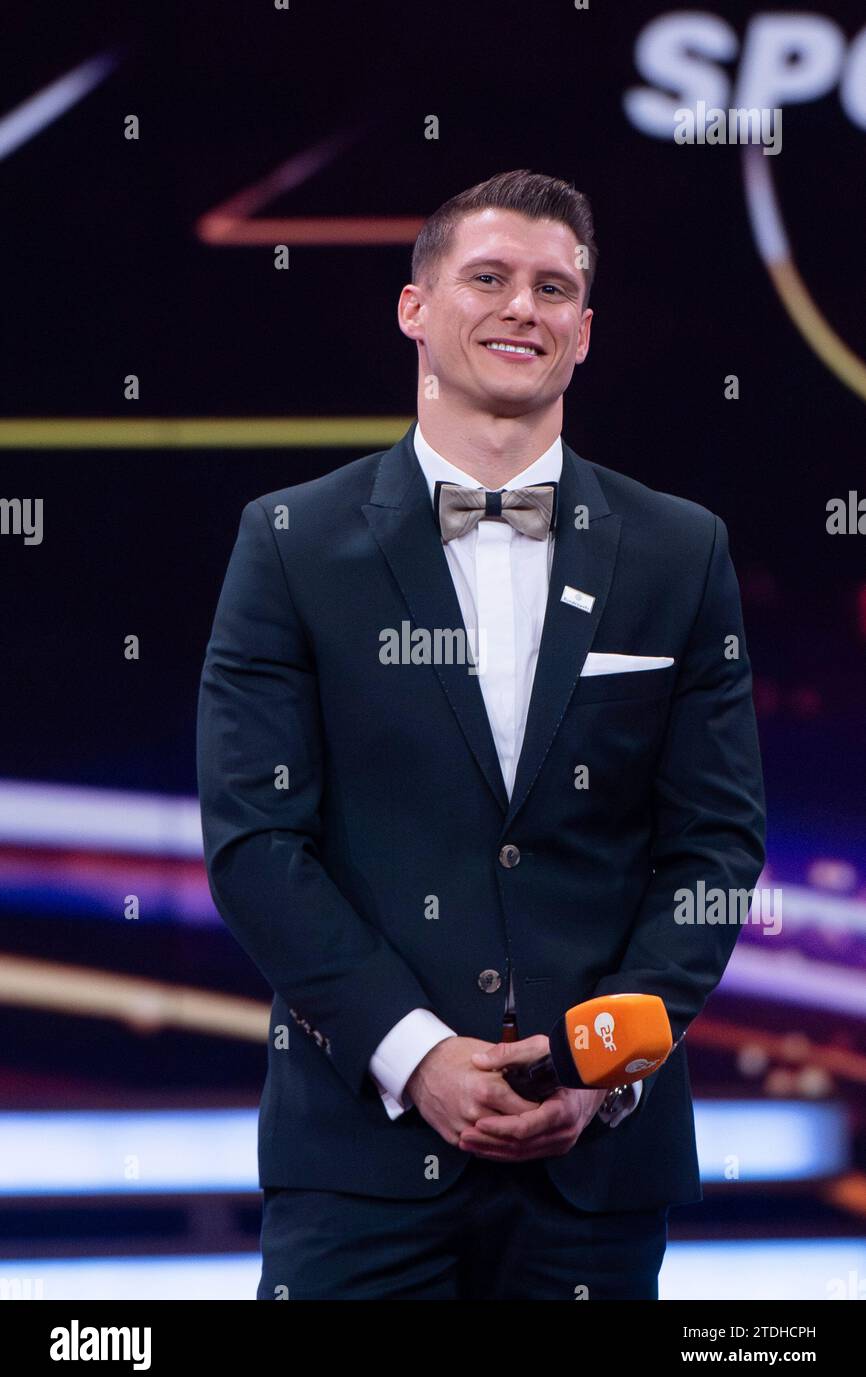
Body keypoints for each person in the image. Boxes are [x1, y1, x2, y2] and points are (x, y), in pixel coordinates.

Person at [196, 168, 766, 1300]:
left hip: (595, 1171)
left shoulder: (678, 550)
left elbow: (712, 846)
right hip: (357, 1161)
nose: (523, 307)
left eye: (552, 288)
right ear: (415, 308)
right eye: (489, 277)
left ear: (584, 331)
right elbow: (255, 842)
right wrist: (417, 1056)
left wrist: (602, 1072)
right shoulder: (289, 544)